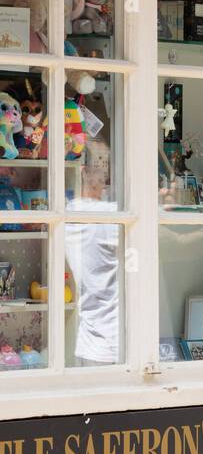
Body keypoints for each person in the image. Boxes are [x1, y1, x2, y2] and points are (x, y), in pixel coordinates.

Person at [64, 136, 121, 365]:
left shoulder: (71, 210)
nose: (106, 175)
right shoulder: (102, 215)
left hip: (89, 341)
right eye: (102, 165)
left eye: (107, 165)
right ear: (85, 172)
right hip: (112, 344)